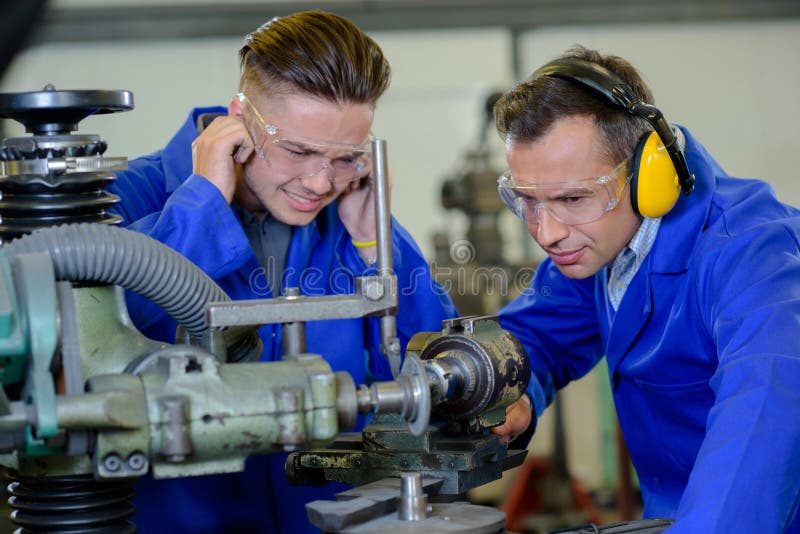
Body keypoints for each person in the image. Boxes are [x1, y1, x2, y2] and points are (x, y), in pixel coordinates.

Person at [108, 11, 457, 533]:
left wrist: (375, 239)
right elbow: (99, 349)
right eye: (298, 151)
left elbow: (439, 369)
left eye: (345, 156)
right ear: (239, 120)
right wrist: (202, 207)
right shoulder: (127, 199)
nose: (320, 183)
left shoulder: (350, 214)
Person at [490, 46, 800, 532]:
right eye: (527, 201)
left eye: (573, 198)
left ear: (648, 173)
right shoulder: (602, 242)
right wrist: (514, 392)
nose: (547, 233)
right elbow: (537, 335)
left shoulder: (751, 254)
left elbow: (767, 413)